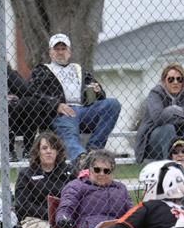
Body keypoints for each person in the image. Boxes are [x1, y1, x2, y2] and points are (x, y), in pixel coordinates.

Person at [30, 34, 121, 163]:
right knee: (69, 132)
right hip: (62, 112)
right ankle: (81, 159)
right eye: (56, 49)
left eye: (63, 49)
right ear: (50, 52)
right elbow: (34, 93)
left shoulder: (79, 69)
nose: (60, 52)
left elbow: (99, 94)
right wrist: (56, 105)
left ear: (69, 52)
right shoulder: (42, 70)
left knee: (113, 104)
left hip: (85, 110)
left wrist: (98, 91)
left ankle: (94, 149)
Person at [134, 63, 184, 163]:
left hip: (182, 138)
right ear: (164, 81)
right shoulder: (156, 93)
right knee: (168, 128)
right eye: (171, 79)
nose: (175, 82)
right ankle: (171, 167)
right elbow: (158, 118)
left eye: (179, 79)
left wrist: (178, 110)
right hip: (155, 142)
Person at [14, 131, 74, 228]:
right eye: (44, 148)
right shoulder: (26, 174)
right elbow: (22, 205)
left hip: (66, 217)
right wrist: (51, 214)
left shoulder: (68, 172)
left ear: (58, 151)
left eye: (53, 148)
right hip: (36, 219)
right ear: (38, 152)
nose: (49, 151)